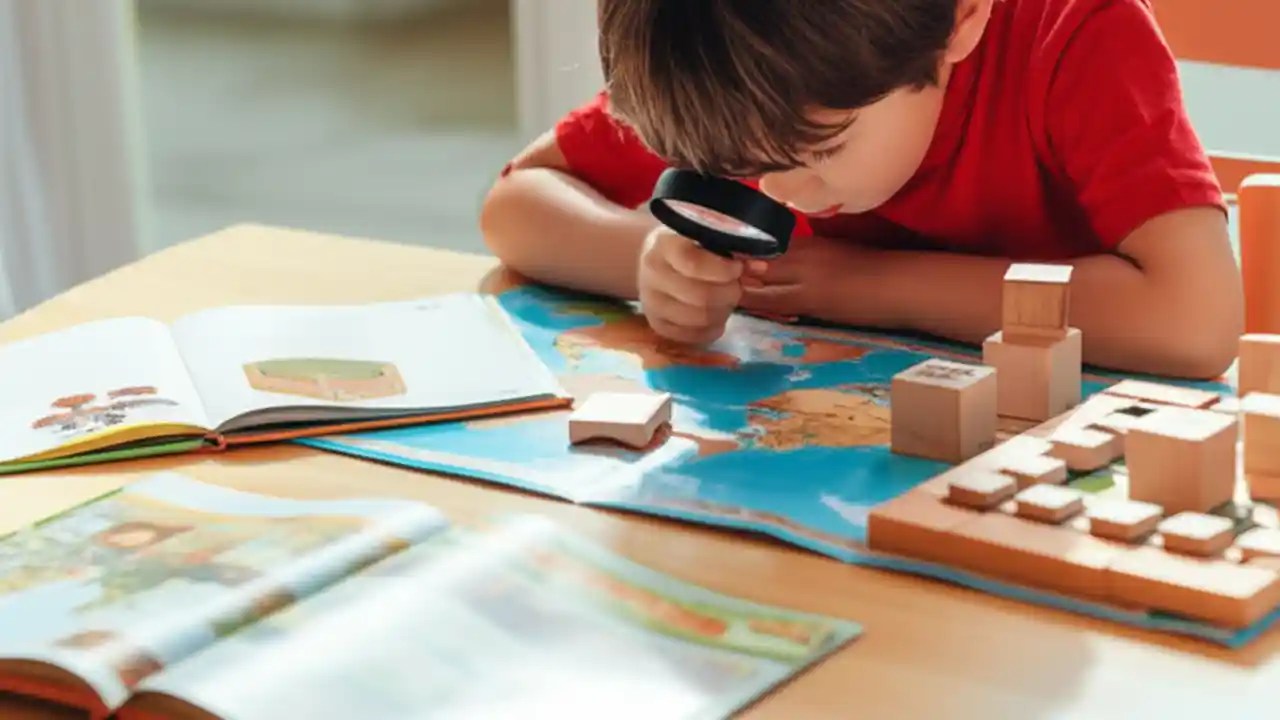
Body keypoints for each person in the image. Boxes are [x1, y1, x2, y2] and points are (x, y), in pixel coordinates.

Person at [481, 0, 1243, 379]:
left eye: (822, 148)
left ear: (961, 20)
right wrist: (655, 258)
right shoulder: (726, 52)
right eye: (744, 162)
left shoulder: (1076, 37)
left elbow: (1195, 323)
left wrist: (877, 286)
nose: (781, 190)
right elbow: (517, 205)